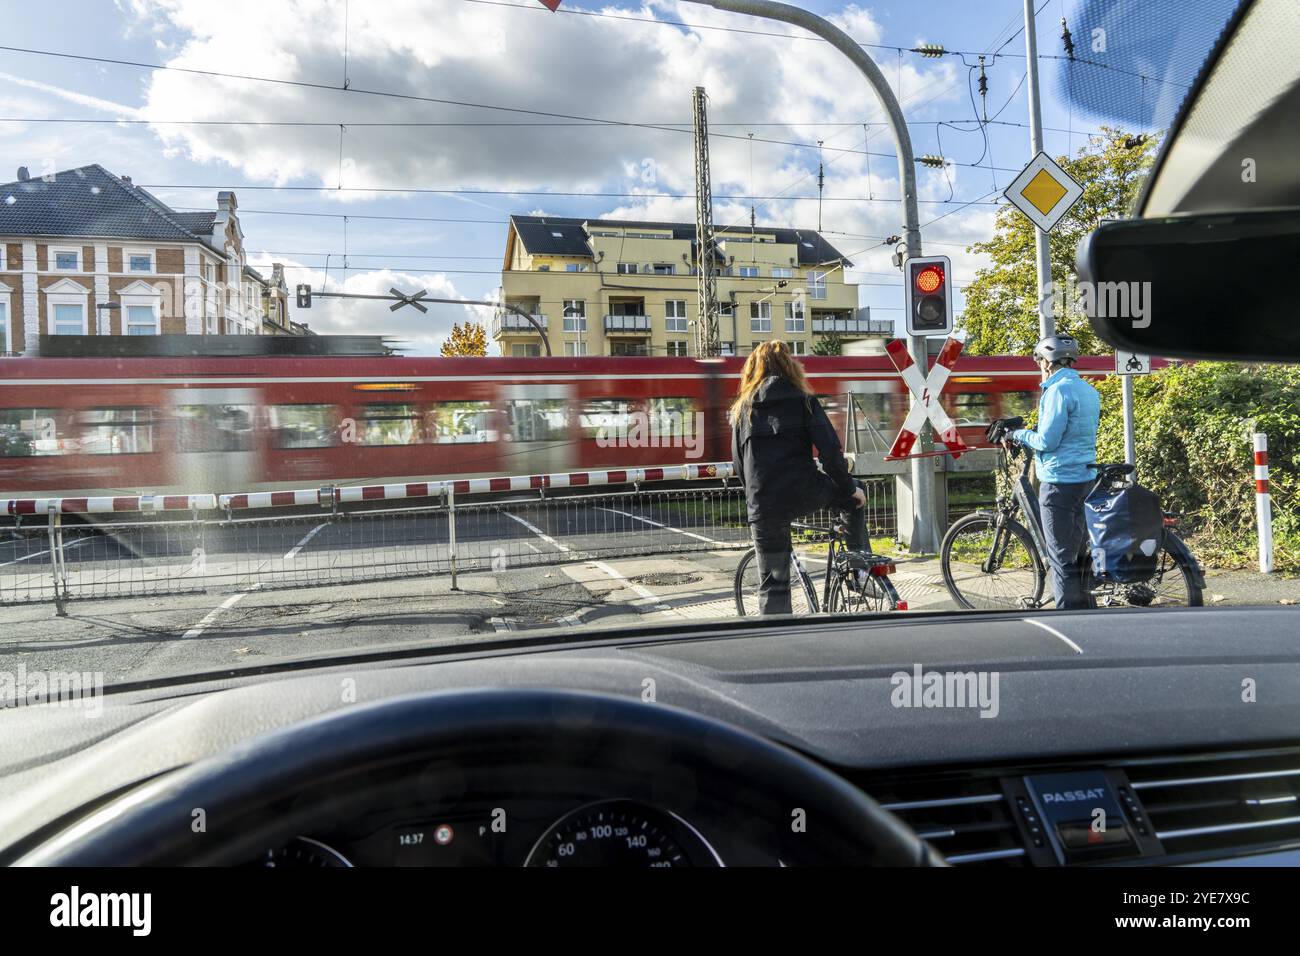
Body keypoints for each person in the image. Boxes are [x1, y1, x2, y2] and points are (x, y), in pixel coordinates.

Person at [730, 340, 868, 616]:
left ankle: (779, 635)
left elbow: (738, 464)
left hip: (764, 502)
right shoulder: (804, 401)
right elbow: (831, 453)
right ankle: (858, 570)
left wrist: (755, 499)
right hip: (805, 491)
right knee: (856, 492)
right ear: (790, 367)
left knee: (773, 584)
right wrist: (847, 489)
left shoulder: (743, 409)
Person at [1003, 334, 1101, 610]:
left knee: (1060, 557)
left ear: (1047, 362)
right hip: (1086, 479)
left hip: (1059, 482)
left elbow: (1047, 442)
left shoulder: (1056, 391)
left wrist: (1018, 434)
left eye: (1039, 361)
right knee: (1077, 554)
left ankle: (1066, 618)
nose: (1040, 366)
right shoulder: (1088, 390)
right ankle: (1086, 611)